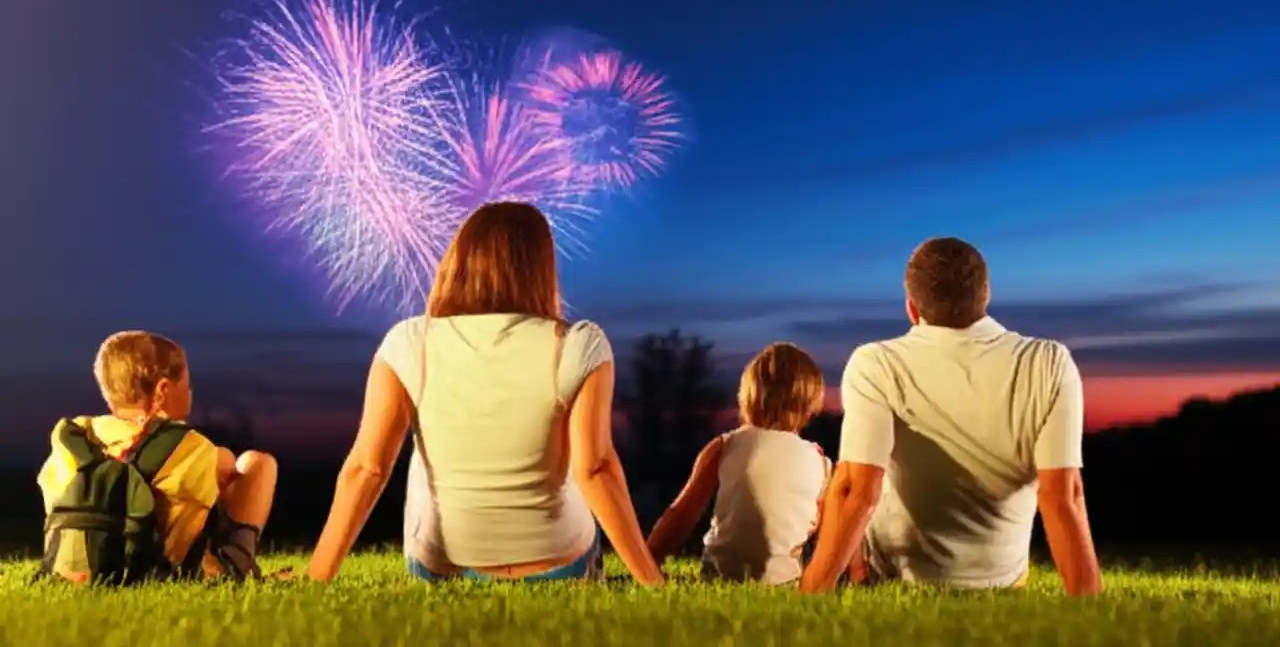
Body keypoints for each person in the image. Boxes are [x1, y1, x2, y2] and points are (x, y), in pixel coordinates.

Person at [307, 202, 663, 585]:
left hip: (443, 568)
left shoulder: (409, 342)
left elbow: (367, 469)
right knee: (569, 450)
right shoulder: (579, 344)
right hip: (558, 564)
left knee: (424, 446)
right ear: (542, 267)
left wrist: (317, 579)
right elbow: (595, 469)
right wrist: (651, 581)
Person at [799, 237, 1101, 596]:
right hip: (1003, 579)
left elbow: (856, 490)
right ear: (986, 294)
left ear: (912, 308)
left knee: (837, 480)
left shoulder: (876, 363)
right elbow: (1063, 495)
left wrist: (812, 591)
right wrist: (1088, 601)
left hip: (894, 574)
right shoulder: (1050, 362)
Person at [37, 331, 277, 581]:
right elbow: (226, 465)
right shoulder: (192, 447)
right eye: (187, 385)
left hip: (76, 566)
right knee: (258, 463)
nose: (190, 392)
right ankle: (242, 568)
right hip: (160, 572)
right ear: (163, 389)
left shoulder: (75, 437)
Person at [647, 343, 831, 585]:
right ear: (810, 404)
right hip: (783, 581)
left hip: (718, 576)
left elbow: (682, 514)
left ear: (748, 394)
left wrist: (649, 559)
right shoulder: (818, 460)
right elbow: (827, 533)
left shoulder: (724, 446)